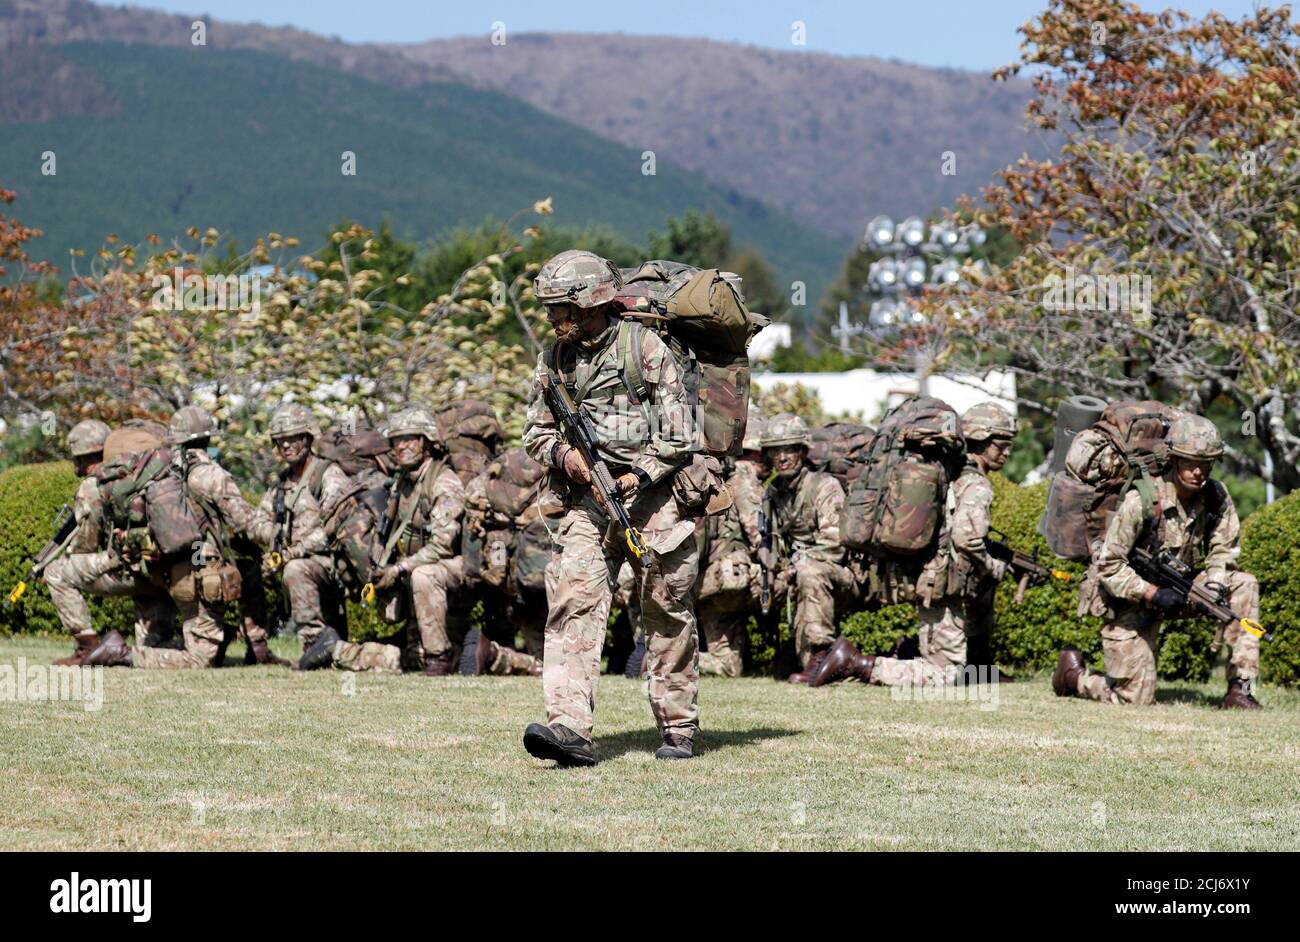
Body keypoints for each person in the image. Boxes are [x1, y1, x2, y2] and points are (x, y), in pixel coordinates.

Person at [520, 249, 701, 766]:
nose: (553, 318)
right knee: (573, 601)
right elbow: (535, 433)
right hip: (587, 502)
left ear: (591, 302)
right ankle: (569, 728)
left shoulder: (644, 348)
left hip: (657, 496)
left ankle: (678, 727)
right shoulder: (555, 359)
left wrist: (634, 476)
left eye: (561, 307)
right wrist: (568, 459)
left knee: (665, 611)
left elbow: (679, 434)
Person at [1053, 414, 1263, 709]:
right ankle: (1074, 677)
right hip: (1131, 598)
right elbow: (1108, 565)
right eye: (1190, 463)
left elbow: (1224, 550)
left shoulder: (1215, 496)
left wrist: (1214, 585)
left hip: (1183, 588)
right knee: (1135, 700)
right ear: (1174, 460)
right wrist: (1151, 593)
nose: (1198, 472)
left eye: (1206, 465)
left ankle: (1241, 689)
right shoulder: (1142, 501)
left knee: (1244, 585)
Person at [811, 402, 1016, 689]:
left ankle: (868, 660)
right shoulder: (974, 483)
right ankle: (856, 663)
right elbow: (966, 539)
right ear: (980, 440)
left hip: (928, 576)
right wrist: (994, 566)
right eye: (1000, 445)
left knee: (943, 662)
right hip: (943, 583)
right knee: (945, 674)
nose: (1007, 452)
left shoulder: (947, 470)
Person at [298, 405, 469, 675]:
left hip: (449, 572)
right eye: (396, 441)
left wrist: (399, 569)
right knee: (413, 657)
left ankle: (439, 660)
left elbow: (443, 547)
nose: (401, 447)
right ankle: (340, 649)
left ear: (427, 442)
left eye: (409, 439)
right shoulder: (402, 483)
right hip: (418, 575)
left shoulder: (443, 483)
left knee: (424, 577)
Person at [43, 420, 177, 665]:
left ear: (82, 457)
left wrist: (72, 556)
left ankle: (86, 648)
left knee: (55, 571)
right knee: (152, 648)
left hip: (126, 567)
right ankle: (163, 643)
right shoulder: (148, 475)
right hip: (163, 566)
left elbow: (86, 544)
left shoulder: (94, 486)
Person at [759, 414, 853, 684]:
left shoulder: (824, 486)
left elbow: (836, 545)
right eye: (776, 451)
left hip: (837, 573)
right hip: (797, 570)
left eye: (789, 449)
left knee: (809, 573)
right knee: (760, 581)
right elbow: (772, 541)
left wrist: (796, 566)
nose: (782, 457)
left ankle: (820, 656)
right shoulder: (774, 491)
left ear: (802, 452)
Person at [253, 402, 352, 654]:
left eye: (292, 438)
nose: (285, 446)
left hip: (330, 563)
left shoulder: (328, 475)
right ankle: (256, 647)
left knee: (295, 569)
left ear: (307, 439)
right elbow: (257, 523)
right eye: (280, 441)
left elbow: (335, 528)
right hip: (298, 564)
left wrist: (294, 552)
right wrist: (274, 539)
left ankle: (313, 645)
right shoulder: (282, 482)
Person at [695, 412, 766, 677]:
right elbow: (759, 536)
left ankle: (666, 658)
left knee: (729, 667)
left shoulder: (706, 475)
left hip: (702, 581)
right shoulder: (743, 481)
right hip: (727, 583)